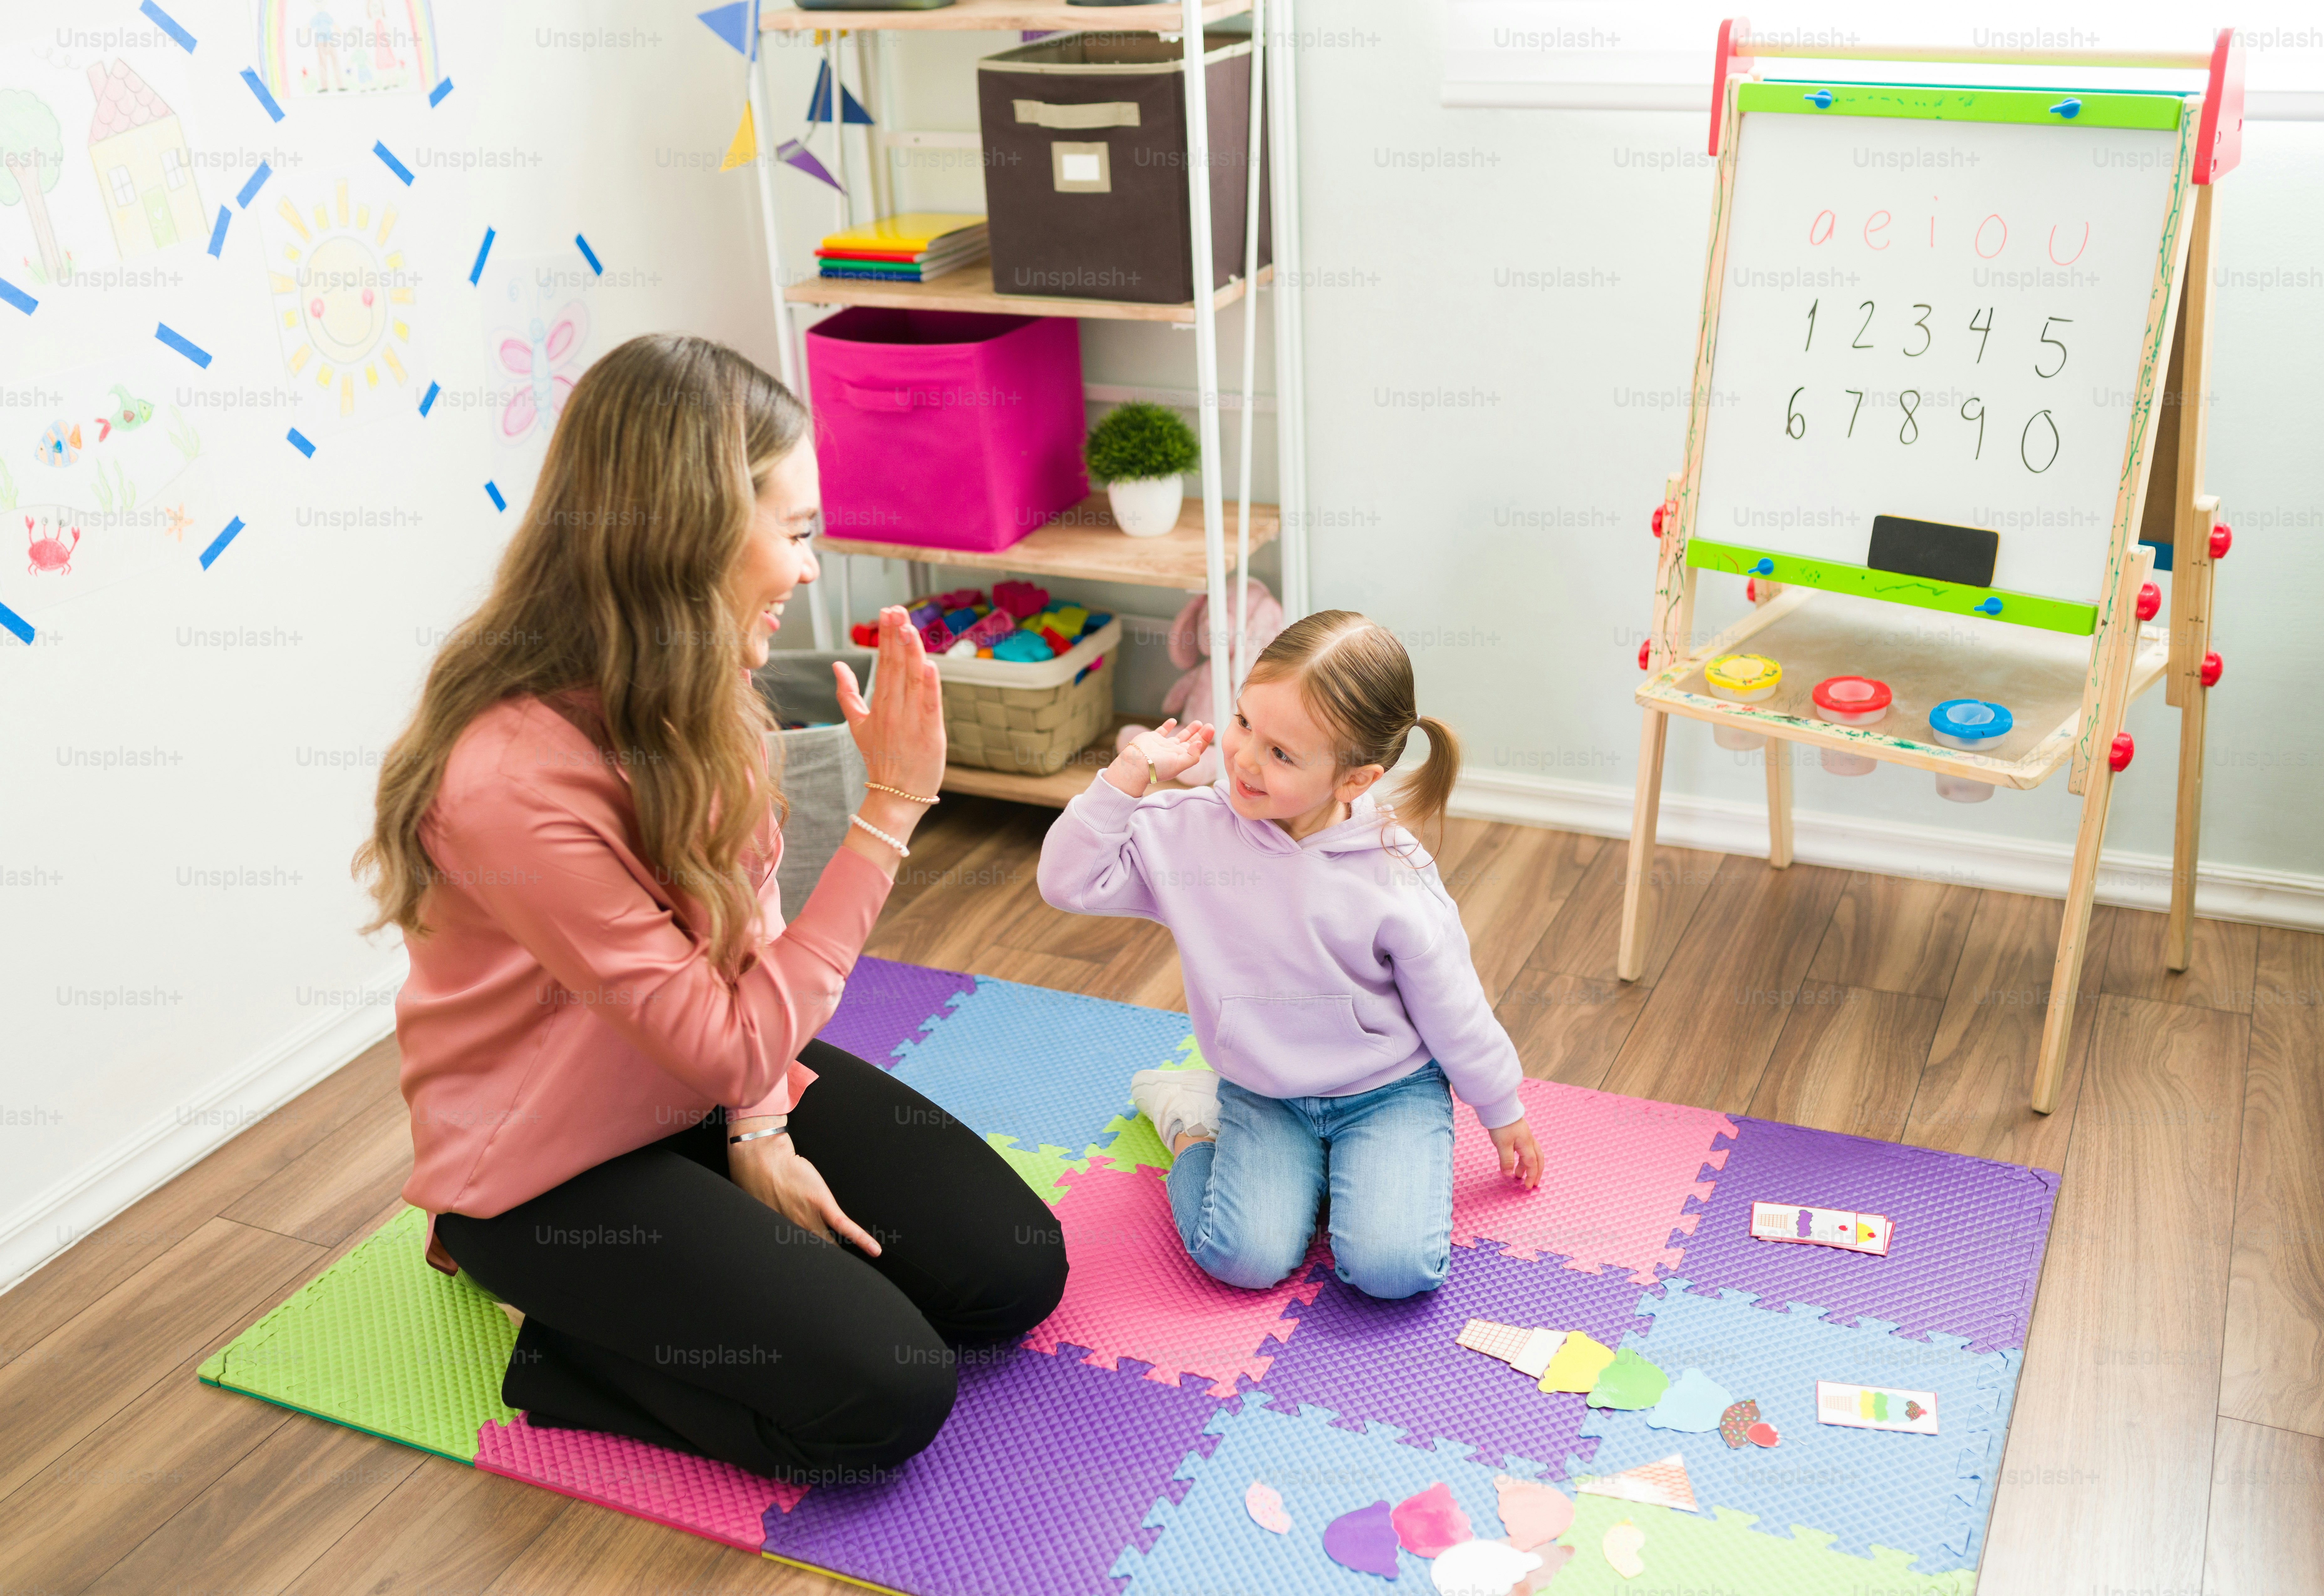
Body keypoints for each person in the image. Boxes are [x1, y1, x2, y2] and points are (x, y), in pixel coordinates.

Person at [353, 332, 1064, 1484]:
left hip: (693, 1084)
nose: (806, 570)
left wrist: (762, 1125)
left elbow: (749, 939)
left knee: (1013, 1269)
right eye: (794, 533)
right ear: (687, 534)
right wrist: (889, 811)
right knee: (892, 1388)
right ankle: (562, 1344)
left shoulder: (695, 680)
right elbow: (728, 1029)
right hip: (545, 1166)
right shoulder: (509, 784)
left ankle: (718, 1251)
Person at [1037, 610, 1544, 1301]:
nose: (1244, 758)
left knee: (1393, 1270)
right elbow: (1066, 883)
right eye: (1244, 722)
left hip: (1385, 1090)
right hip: (1263, 1089)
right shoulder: (1186, 833)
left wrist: (1499, 1106)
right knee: (1240, 1258)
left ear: (1353, 780)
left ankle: (1343, 1170)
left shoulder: (1393, 872)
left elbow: (1453, 1003)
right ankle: (1191, 1122)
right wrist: (1127, 776)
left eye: (1282, 754)